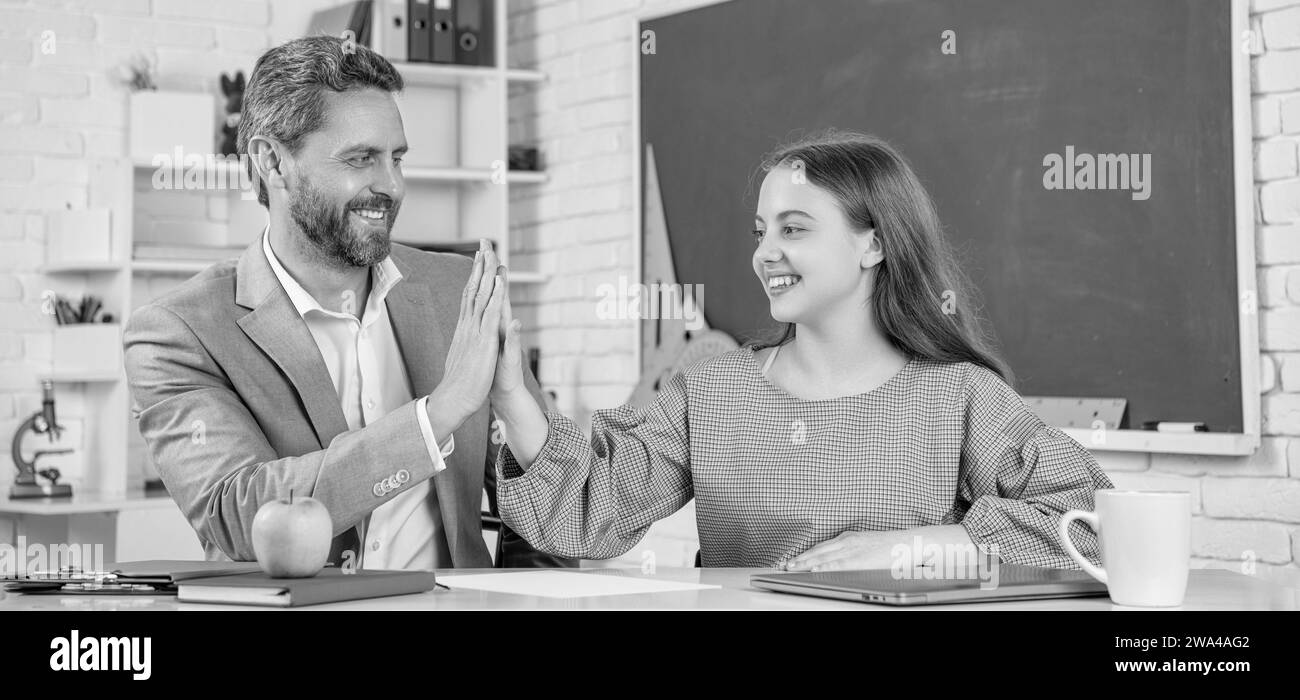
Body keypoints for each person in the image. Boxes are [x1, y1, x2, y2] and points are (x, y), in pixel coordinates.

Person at [486, 131, 1113, 570]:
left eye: (795, 229)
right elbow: (587, 514)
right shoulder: (709, 391)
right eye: (762, 232)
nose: (765, 253)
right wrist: (513, 397)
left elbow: (1091, 523)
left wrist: (924, 544)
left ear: (873, 245)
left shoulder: (959, 397)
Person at [123, 36, 571, 570]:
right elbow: (242, 513)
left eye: (396, 158)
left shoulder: (458, 292)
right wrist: (439, 414)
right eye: (361, 159)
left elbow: (548, 497)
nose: (392, 185)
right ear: (272, 161)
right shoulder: (178, 333)